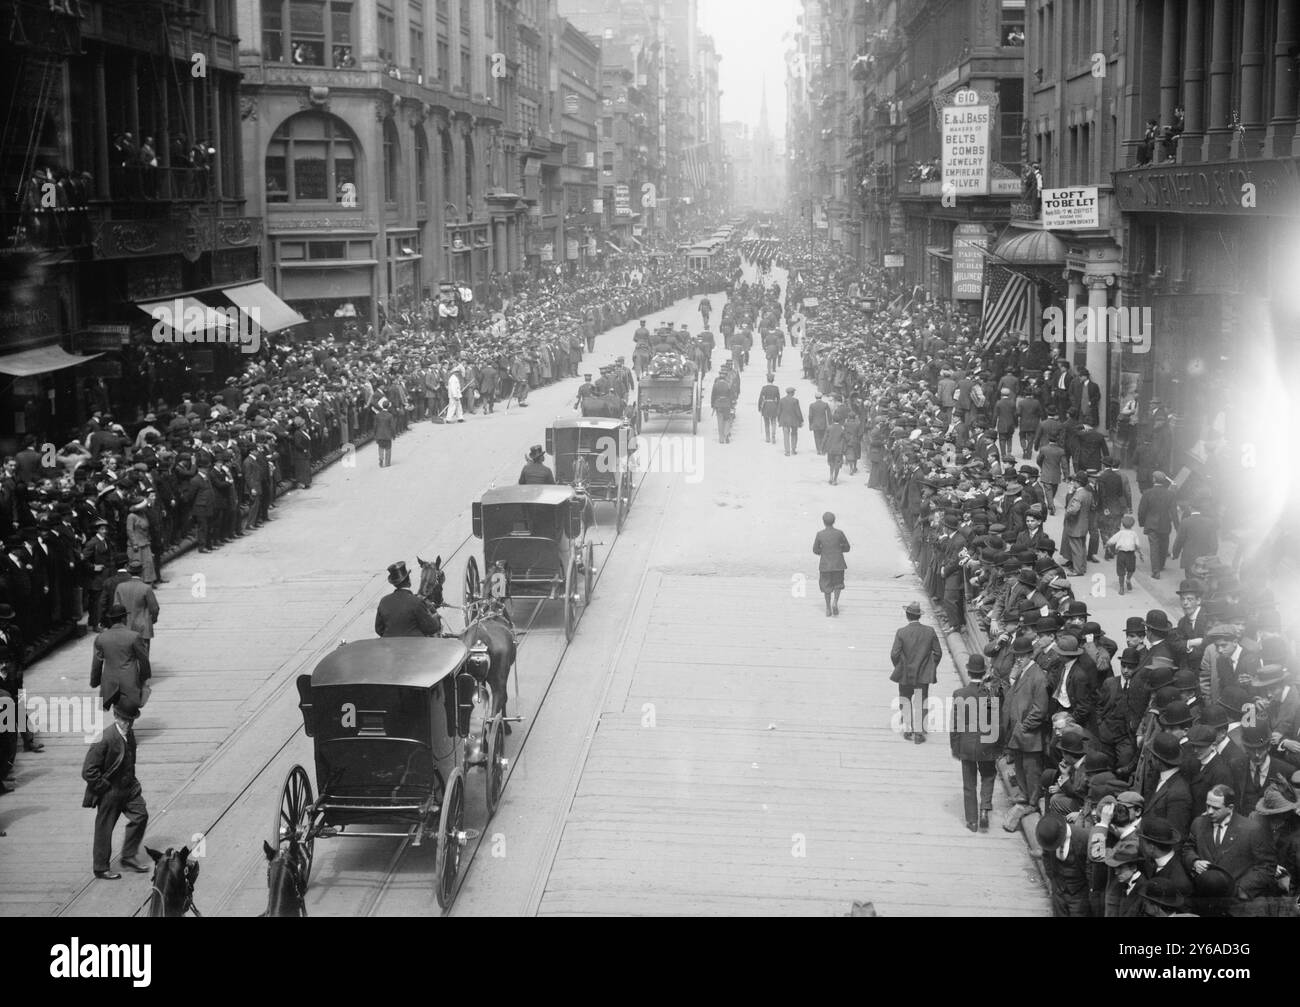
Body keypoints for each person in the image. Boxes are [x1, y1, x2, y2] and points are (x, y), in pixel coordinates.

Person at [82, 696, 150, 880]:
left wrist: (133, 783)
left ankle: (128, 856)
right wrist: (104, 787)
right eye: (124, 719)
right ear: (115, 716)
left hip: (128, 788)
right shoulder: (104, 738)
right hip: (110, 791)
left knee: (141, 815)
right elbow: (88, 770)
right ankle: (100, 867)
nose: (127, 723)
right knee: (104, 828)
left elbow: (131, 759)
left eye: (130, 720)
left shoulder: (130, 734)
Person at [950, 653, 1002, 831]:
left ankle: (972, 820)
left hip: (966, 744)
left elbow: (955, 725)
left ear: (968, 671)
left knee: (969, 783)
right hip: (987, 744)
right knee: (988, 776)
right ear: (984, 672)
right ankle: (984, 809)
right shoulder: (990, 696)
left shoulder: (960, 694)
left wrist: (955, 747)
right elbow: (996, 724)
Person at [890, 601, 942, 744]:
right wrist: (930, 666)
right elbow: (938, 653)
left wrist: (900, 667)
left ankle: (907, 729)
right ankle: (919, 733)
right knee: (921, 701)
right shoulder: (930, 631)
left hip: (905, 673)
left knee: (905, 699)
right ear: (919, 616)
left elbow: (894, 654)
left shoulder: (901, 632)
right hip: (923, 674)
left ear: (907, 615)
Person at [89, 603, 152, 710]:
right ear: (124, 619)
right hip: (130, 683)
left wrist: (95, 681)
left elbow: (97, 663)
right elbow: (143, 660)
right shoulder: (134, 636)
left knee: (116, 711)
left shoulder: (101, 638)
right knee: (130, 711)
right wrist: (143, 678)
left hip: (109, 684)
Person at [375, 561, 441, 637]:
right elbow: (431, 628)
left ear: (394, 583)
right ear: (409, 581)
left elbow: (379, 629)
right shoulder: (417, 602)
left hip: (390, 646)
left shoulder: (384, 601)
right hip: (414, 647)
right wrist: (436, 616)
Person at [113, 561, 159, 659]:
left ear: (129, 572)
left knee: (127, 655)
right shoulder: (146, 588)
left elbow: (116, 606)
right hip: (143, 626)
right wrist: (153, 619)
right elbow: (154, 608)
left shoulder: (120, 587)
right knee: (143, 656)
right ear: (141, 572)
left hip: (124, 626)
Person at [812, 511, 850, 617]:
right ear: (834, 521)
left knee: (826, 586)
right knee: (838, 584)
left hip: (825, 565)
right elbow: (847, 547)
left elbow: (815, 550)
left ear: (823, 522)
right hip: (838, 564)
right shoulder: (839, 533)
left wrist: (823, 552)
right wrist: (839, 549)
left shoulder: (820, 534)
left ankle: (828, 607)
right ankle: (835, 602)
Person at [1106, 513, 1143, 595]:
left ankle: (1121, 587)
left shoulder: (1120, 533)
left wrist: (1107, 544)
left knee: (1121, 572)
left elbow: (1112, 540)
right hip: (1131, 554)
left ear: (1122, 524)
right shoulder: (1134, 534)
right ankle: (1128, 579)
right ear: (1132, 525)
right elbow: (1137, 545)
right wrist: (1140, 553)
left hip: (1121, 554)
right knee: (1131, 569)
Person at [777, 386, 803, 455]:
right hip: (794, 420)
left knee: (786, 436)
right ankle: (793, 450)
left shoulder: (782, 400)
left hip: (784, 420)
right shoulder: (795, 400)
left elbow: (779, 411)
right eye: (793, 392)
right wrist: (801, 420)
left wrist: (779, 419)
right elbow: (798, 411)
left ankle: (787, 451)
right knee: (794, 434)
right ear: (792, 393)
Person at [758, 373, 781, 443]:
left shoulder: (764, 388)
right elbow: (778, 399)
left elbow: (760, 398)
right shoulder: (776, 388)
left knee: (766, 422)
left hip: (766, 405)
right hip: (774, 405)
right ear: (773, 380)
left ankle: (767, 438)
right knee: (774, 421)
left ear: (767, 380)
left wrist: (759, 407)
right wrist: (778, 407)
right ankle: (773, 435)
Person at [373, 397, 396, 467]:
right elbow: (392, 427)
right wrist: (394, 435)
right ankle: (387, 463)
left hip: (379, 435)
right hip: (387, 435)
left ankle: (381, 458)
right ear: (388, 406)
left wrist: (375, 434)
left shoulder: (378, 415)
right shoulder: (390, 416)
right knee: (388, 448)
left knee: (380, 447)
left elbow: (375, 426)